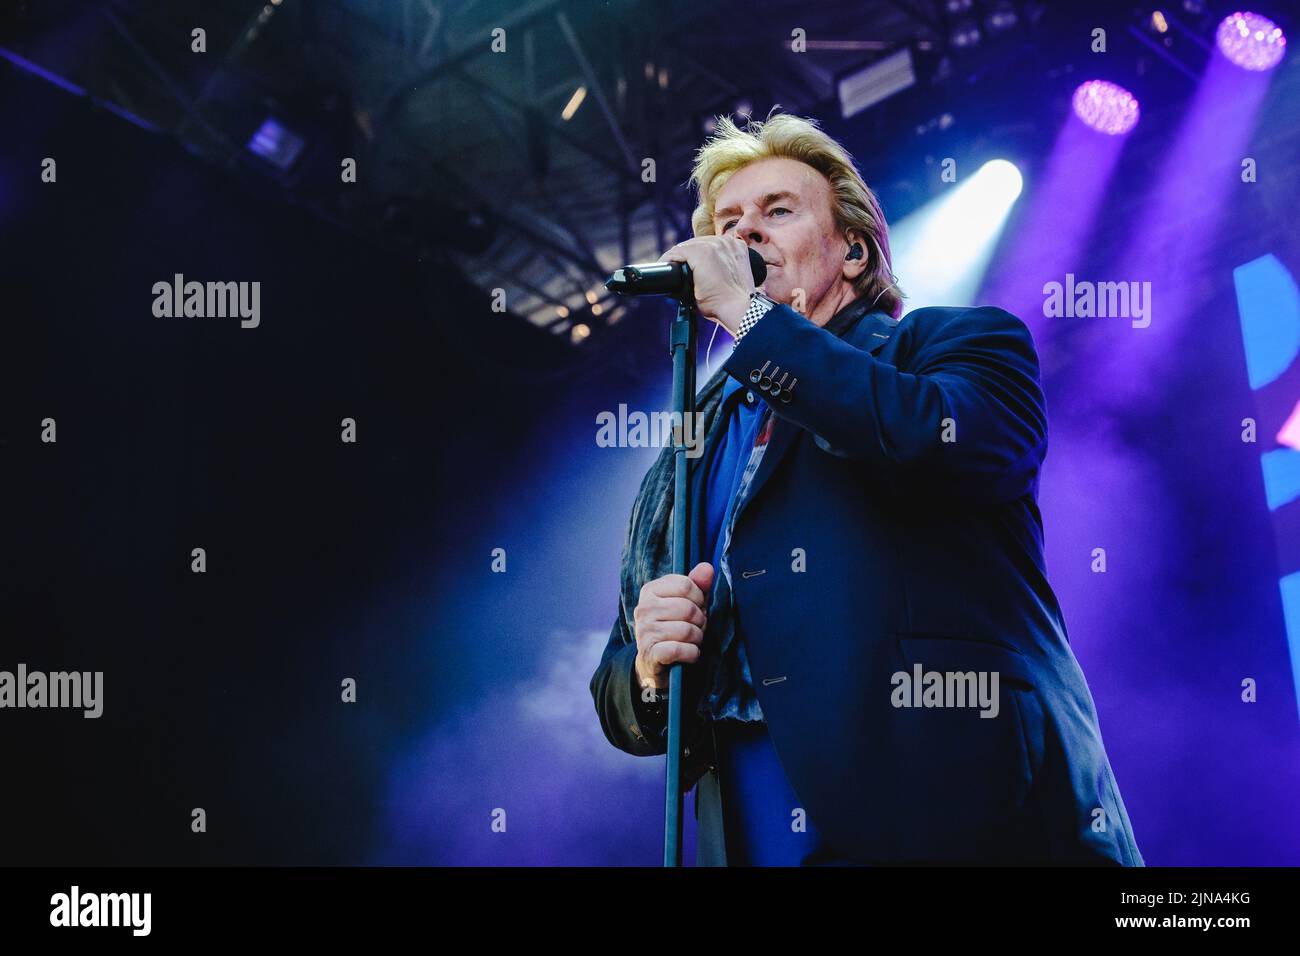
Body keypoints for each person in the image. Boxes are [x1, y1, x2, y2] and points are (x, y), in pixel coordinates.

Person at [589, 108, 1144, 866]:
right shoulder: (691, 449)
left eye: (777, 211)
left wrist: (753, 323)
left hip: (949, 806)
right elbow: (619, 694)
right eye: (728, 219)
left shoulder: (952, 345)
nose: (743, 233)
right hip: (752, 824)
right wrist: (651, 665)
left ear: (853, 249)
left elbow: (930, 438)